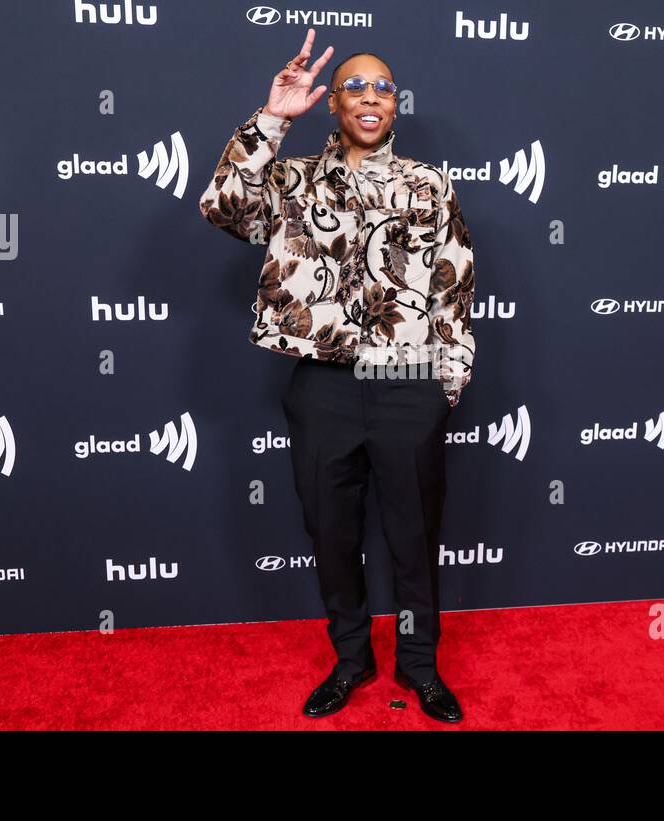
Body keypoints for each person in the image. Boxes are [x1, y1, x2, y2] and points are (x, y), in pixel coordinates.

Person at [198, 28, 476, 723]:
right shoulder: (291, 181)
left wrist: (447, 382)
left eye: (383, 85)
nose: (371, 95)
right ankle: (351, 659)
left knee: (413, 540)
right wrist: (272, 118)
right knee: (332, 534)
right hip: (323, 383)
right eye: (355, 85)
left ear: (396, 103)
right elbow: (222, 206)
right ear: (333, 105)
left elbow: (455, 288)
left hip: (409, 380)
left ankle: (418, 665)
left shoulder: (429, 183)